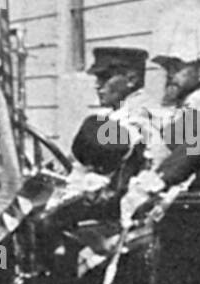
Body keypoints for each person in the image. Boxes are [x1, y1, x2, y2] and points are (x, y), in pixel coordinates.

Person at [66, 47, 156, 196]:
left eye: (104, 78)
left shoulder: (141, 113)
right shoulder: (110, 114)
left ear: (131, 80)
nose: (97, 85)